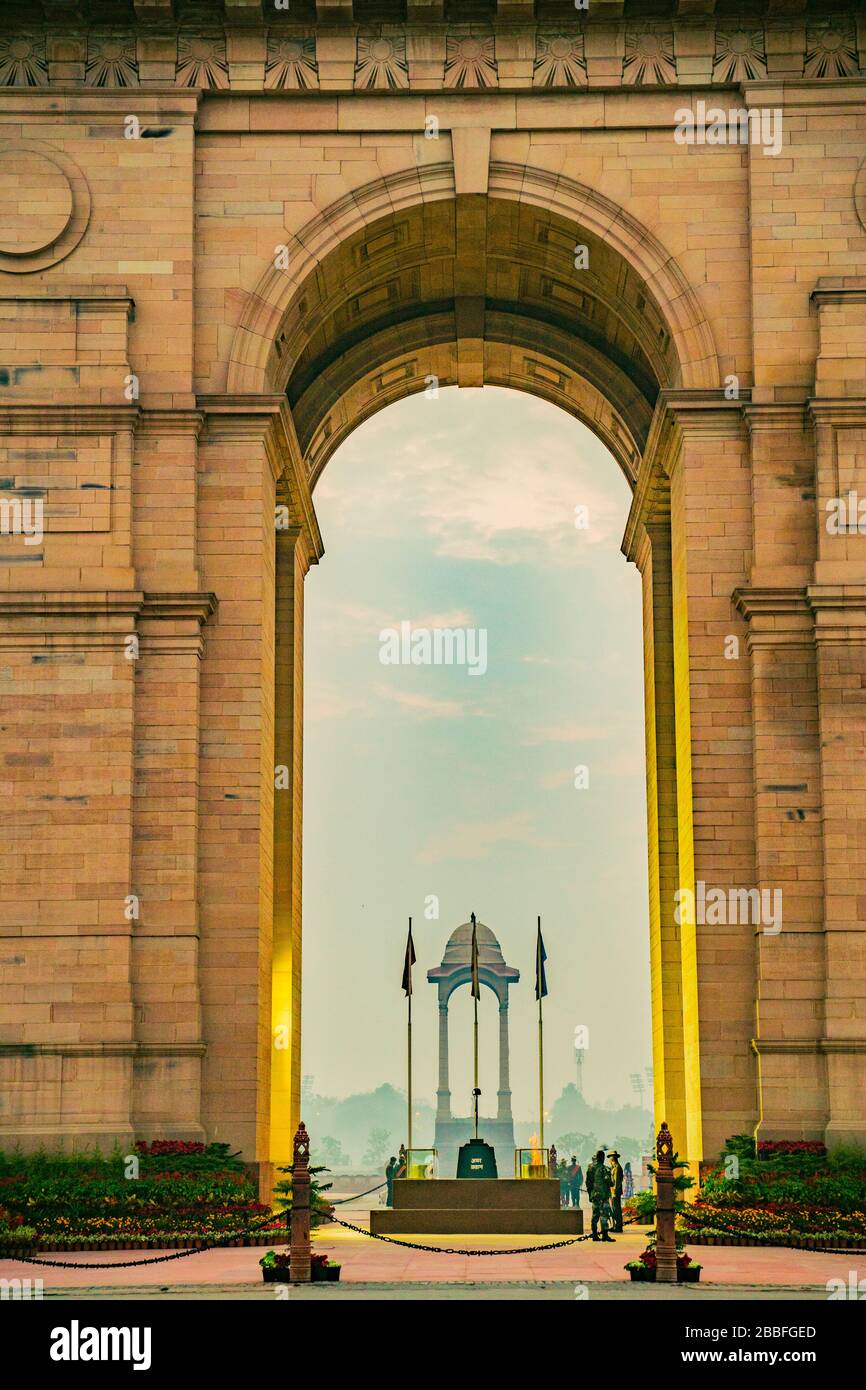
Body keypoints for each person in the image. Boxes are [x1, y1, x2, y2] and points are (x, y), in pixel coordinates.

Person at [585, 1147, 615, 1241]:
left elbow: (588, 1183)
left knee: (595, 1215)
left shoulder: (590, 1168)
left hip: (594, 1195)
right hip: (603, 1195)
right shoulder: (604, 1169)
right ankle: (605, 1235)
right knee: (604, 1215)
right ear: (602, 1158)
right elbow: (610, 1182)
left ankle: (594, 1235)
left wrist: (591, 1193)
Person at [608, 1149, 624, 1232]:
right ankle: (616, 1226)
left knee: (616, 1209)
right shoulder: (614, 1167)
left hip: (615, 1192)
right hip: (613, 1191)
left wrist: (614, 1192)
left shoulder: (617, 1168)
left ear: (612, 1159)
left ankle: (618, 1227)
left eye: (610, 1158)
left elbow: (616, 1182)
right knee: (615, 1209)